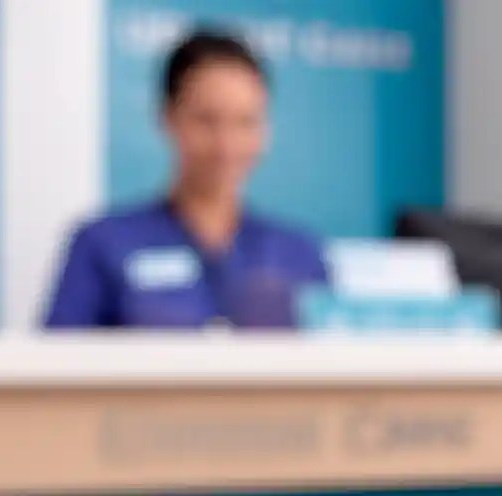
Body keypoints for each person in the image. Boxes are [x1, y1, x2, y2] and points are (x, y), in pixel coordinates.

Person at [45, 29, 328, 329]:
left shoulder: (299, 255)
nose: (226, 145)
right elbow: (53, 369)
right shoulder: (102, 245)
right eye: (207, 120)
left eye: (246, 122)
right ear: (167, 118)